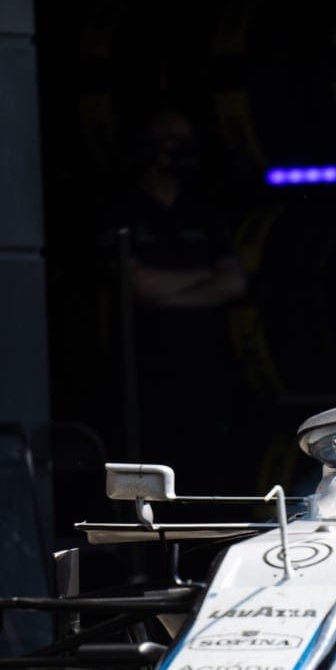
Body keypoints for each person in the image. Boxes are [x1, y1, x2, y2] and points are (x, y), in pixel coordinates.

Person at [100, 109, 246, 474]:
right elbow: (138, 284)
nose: (179, 153)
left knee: (206, 464)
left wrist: (167, 294)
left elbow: (234, 282)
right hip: (147, 369)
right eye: (170, 142)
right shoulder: (124, 211)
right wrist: (203, 277)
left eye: (186, 143)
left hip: (204, 366)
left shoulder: (203, 211)